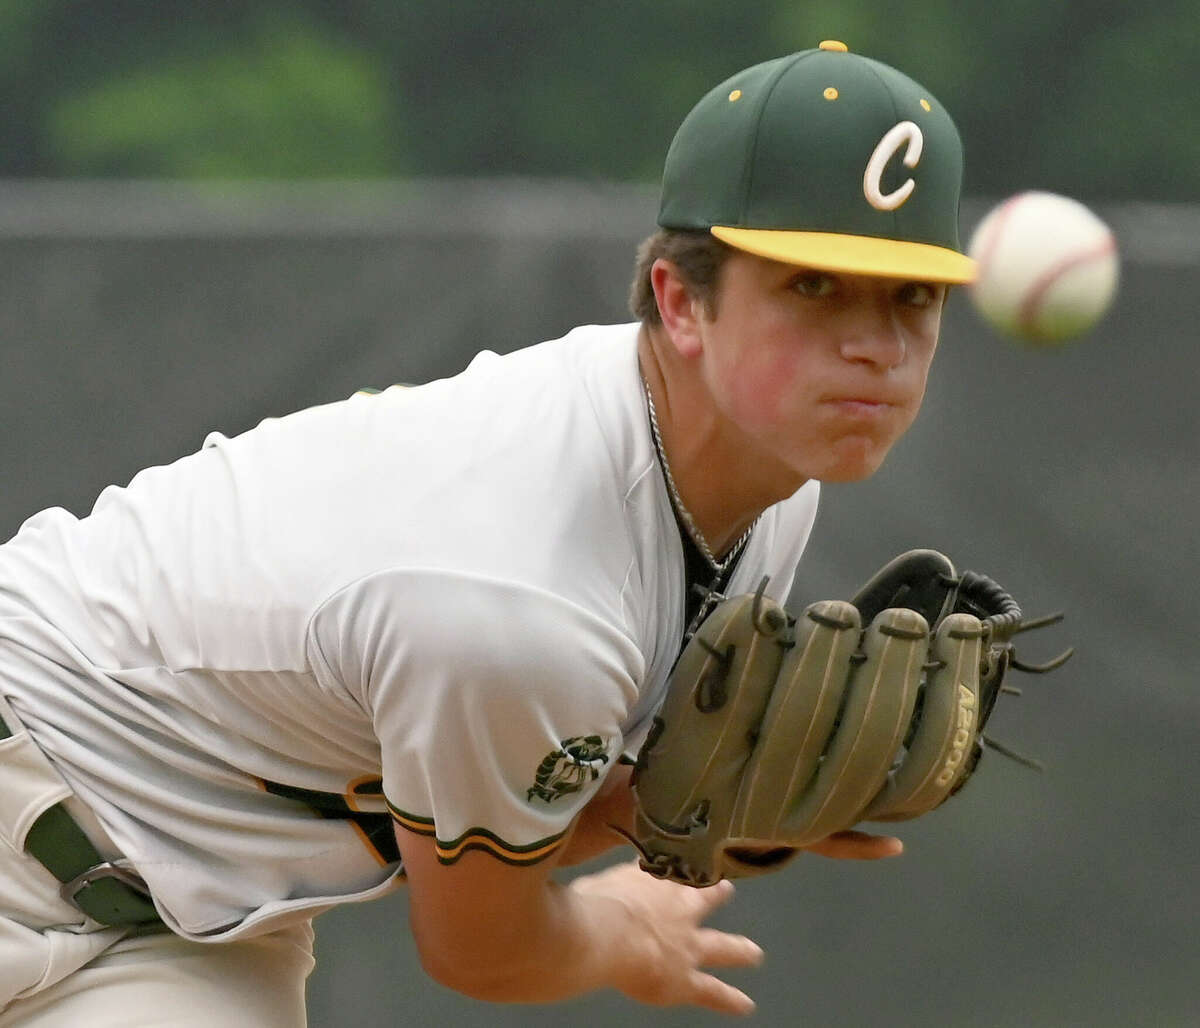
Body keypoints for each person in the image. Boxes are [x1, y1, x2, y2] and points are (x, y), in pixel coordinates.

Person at [0, 40, 976, 1025]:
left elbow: (497, 803)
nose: (877, 346)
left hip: (183, 919)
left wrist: (699, 810)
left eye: (913, 296)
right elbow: (482, 946)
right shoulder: (523, 593)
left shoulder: (765, 474)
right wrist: (624, 931)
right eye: (814, 286)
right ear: (684, 302)